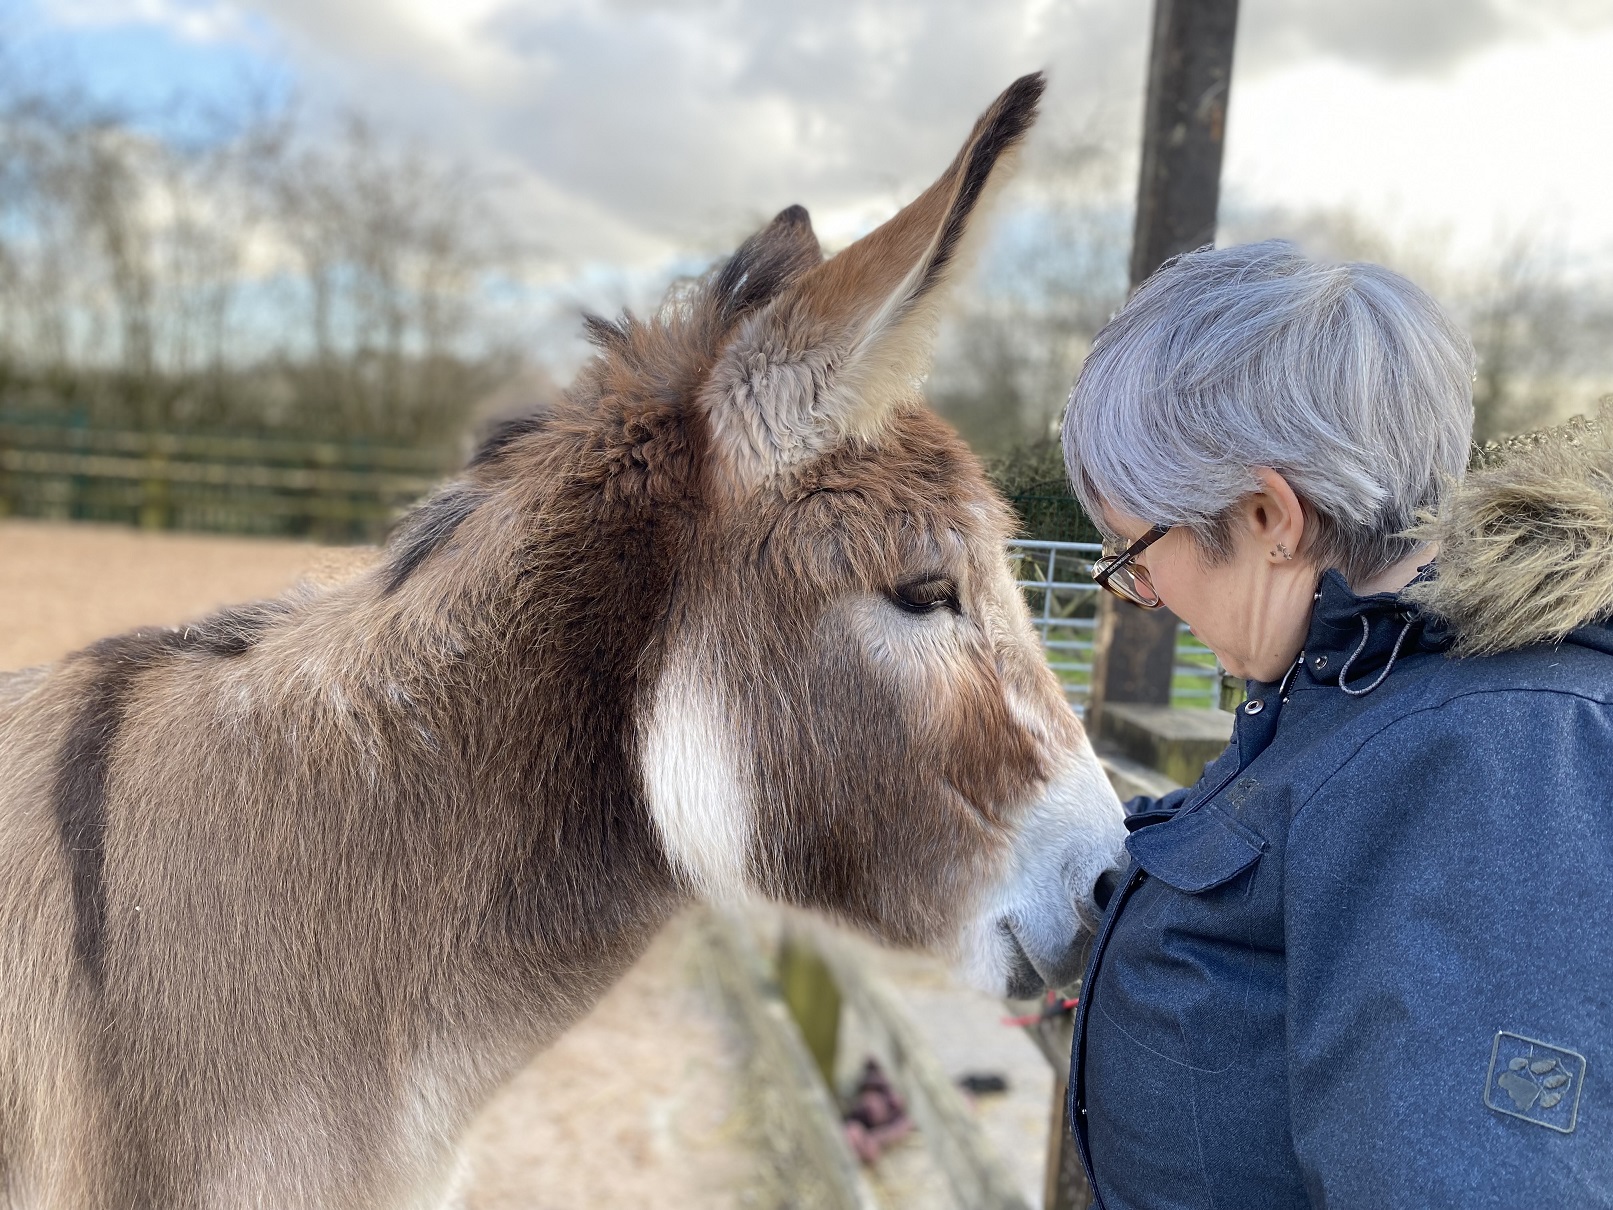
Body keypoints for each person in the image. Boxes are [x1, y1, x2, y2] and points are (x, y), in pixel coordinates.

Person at [1059, 240, 1613, 1208]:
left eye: (1134, 550)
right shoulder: (1359, 685)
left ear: (1268, 516)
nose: (1142, 592)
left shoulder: (1487, 760)